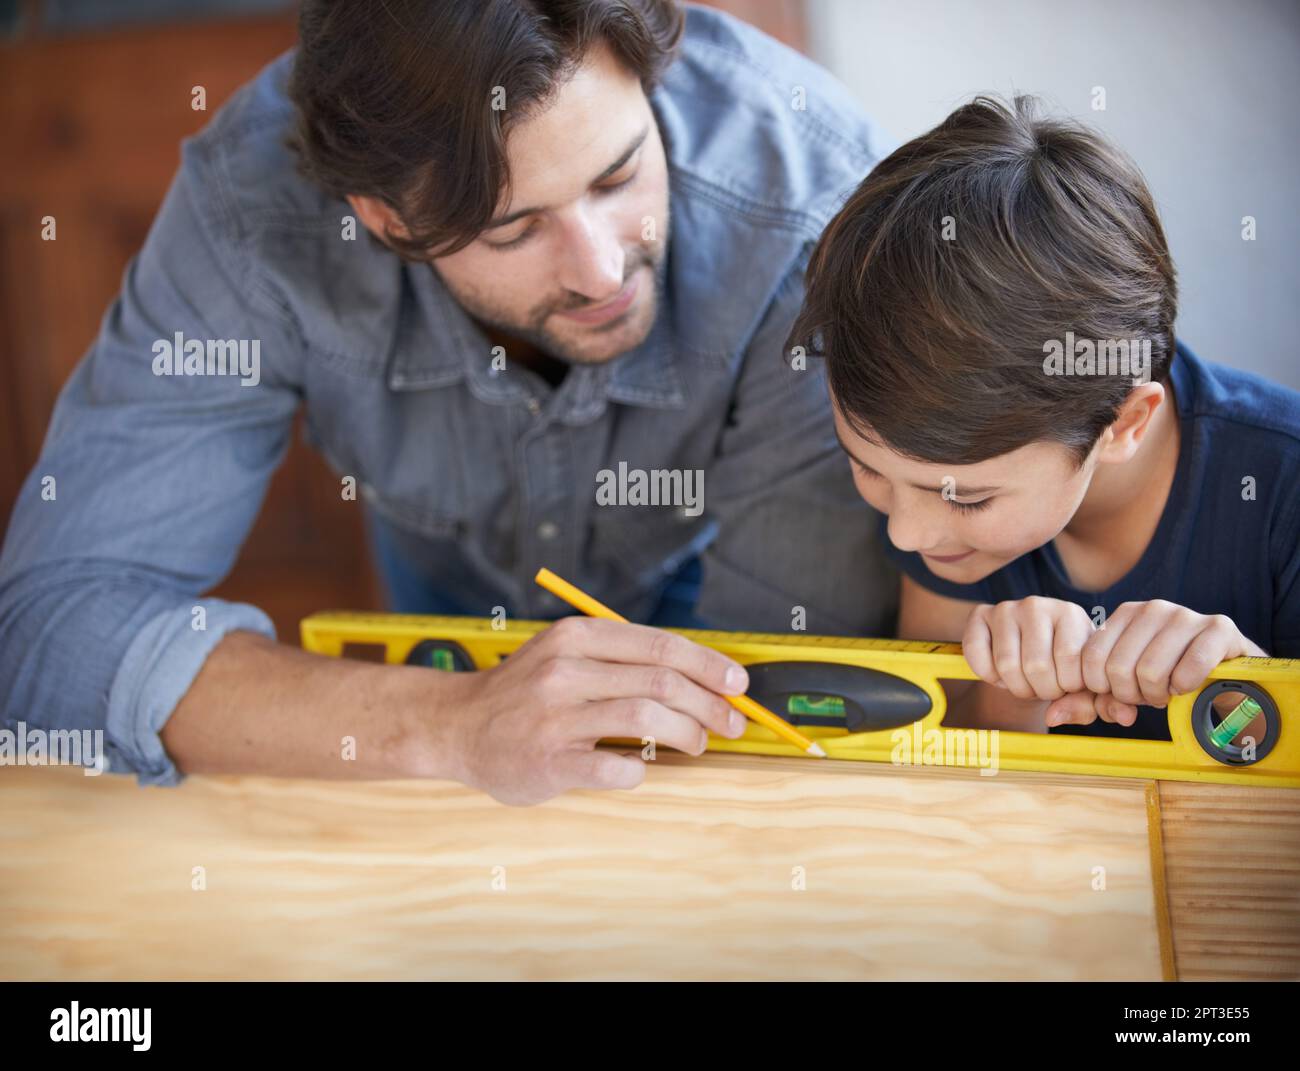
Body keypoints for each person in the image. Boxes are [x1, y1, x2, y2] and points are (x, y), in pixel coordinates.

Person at [0, 1, 897, 803]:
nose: (601, 269)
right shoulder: (253, 211)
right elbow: (50, 632)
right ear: (386, 219)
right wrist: (450, 722)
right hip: (443, 613)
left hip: (720, 584)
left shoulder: (815, 220)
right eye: (514, 227)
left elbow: (781, 710)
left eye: (619, 177)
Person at [789, 95, 1300, 738]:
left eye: (968, 499)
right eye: (866, 469)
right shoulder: (939, 510)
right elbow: (938, 736)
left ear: (1123, 424)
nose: (906, 534)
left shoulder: (1282, 488)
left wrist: (1244, 694)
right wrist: (1017, 695)